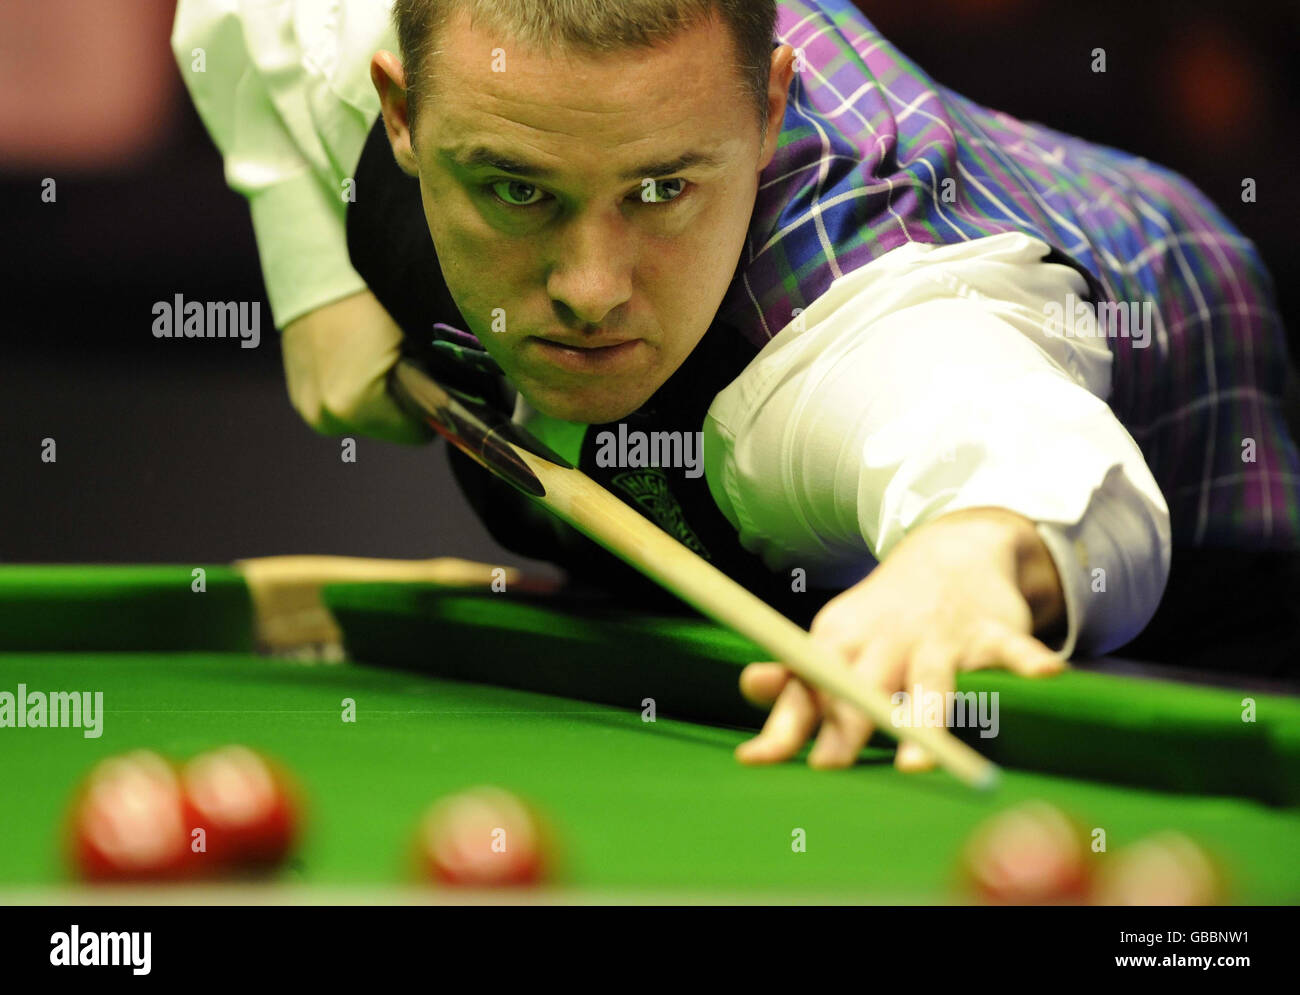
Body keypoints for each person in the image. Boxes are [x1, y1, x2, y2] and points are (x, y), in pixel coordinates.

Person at [172, 0, 1300, 770]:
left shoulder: (846, 332)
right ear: (402, 112)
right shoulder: (365, 68)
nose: (588, 290)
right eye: (515, 190)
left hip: (1212, 495)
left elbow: (1039, 465)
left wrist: (967, 559)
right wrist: (313, 268)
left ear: (766, 112)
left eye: (661, 189)